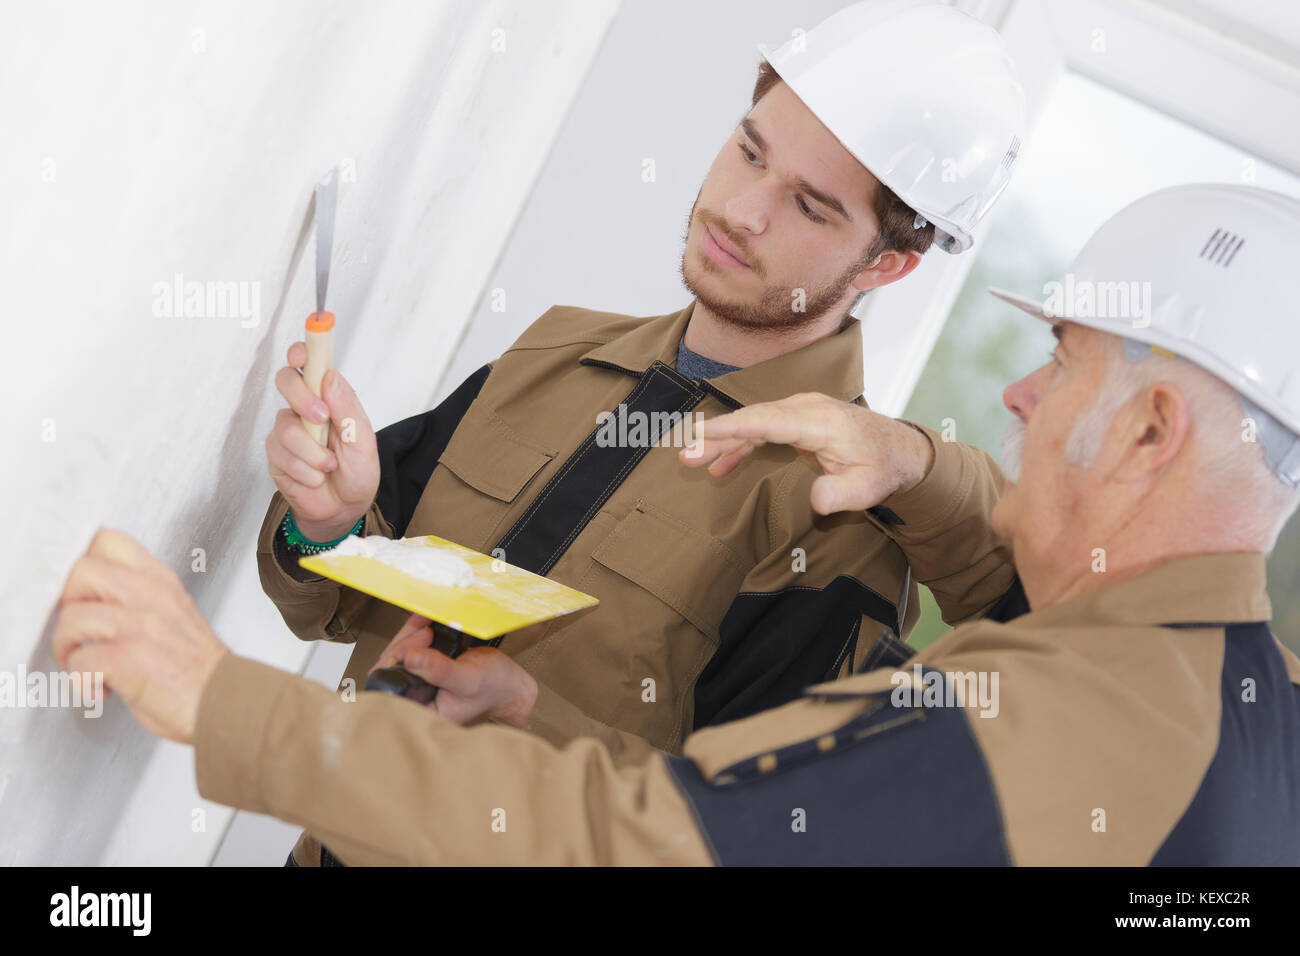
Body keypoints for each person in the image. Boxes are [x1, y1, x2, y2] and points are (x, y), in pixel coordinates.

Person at [55, 183, 1300, 864]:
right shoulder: (1254, 711)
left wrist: (216, 699)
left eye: (1060, 359)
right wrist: (335, 530)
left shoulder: (1010, 681)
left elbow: (661, 838)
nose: (1019, 394)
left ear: (1146, 433)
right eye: (748, 153)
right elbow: (768, 821)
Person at [256, 0, 1026, 863]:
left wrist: (529, 717)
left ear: (885, 263)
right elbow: (335, 608)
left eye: (809, 206)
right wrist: (326, 527)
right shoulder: (553, 349)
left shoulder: (835, 518)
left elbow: (753, 831)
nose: (742, 211)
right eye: (748, 152)